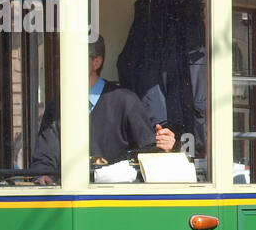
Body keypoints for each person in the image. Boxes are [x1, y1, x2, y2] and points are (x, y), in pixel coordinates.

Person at [31, 36, 176, 183]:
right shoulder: (56, 108)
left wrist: (165, 148)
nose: (65, 64)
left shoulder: (126, 101)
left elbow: (150, 154)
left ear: (96, 62)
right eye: (63, 57)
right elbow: (44, 160)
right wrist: (43, 176)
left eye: (73, 56)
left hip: (117, 200)